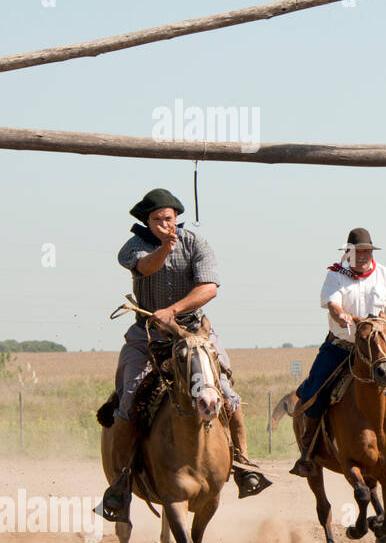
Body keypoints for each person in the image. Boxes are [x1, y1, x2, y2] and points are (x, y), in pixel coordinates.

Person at [100, 188, 270, 521]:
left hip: (195, 332)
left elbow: (210, 287)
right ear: (147, 222)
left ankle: (242, 463)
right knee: (129, 396)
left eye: (169, 218)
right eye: (157, 219)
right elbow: (146, 268)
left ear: (177, 217)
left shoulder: (196, 243)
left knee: (225, 391)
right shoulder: (134, 246)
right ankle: (121, 480)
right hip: (146, 336)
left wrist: (174, 309)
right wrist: (165, 248)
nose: (165, 224)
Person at [290, 228, 386, 476]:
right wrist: (340, 315)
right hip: (342, 347)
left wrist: (384, 327)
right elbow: (333, 304)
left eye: (366, 251)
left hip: (377, 348)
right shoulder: (335, 275)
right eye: (358, 251)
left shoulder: (385, 275)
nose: (363, 256)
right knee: (312, 392)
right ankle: (308, 451)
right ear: (348, 252)